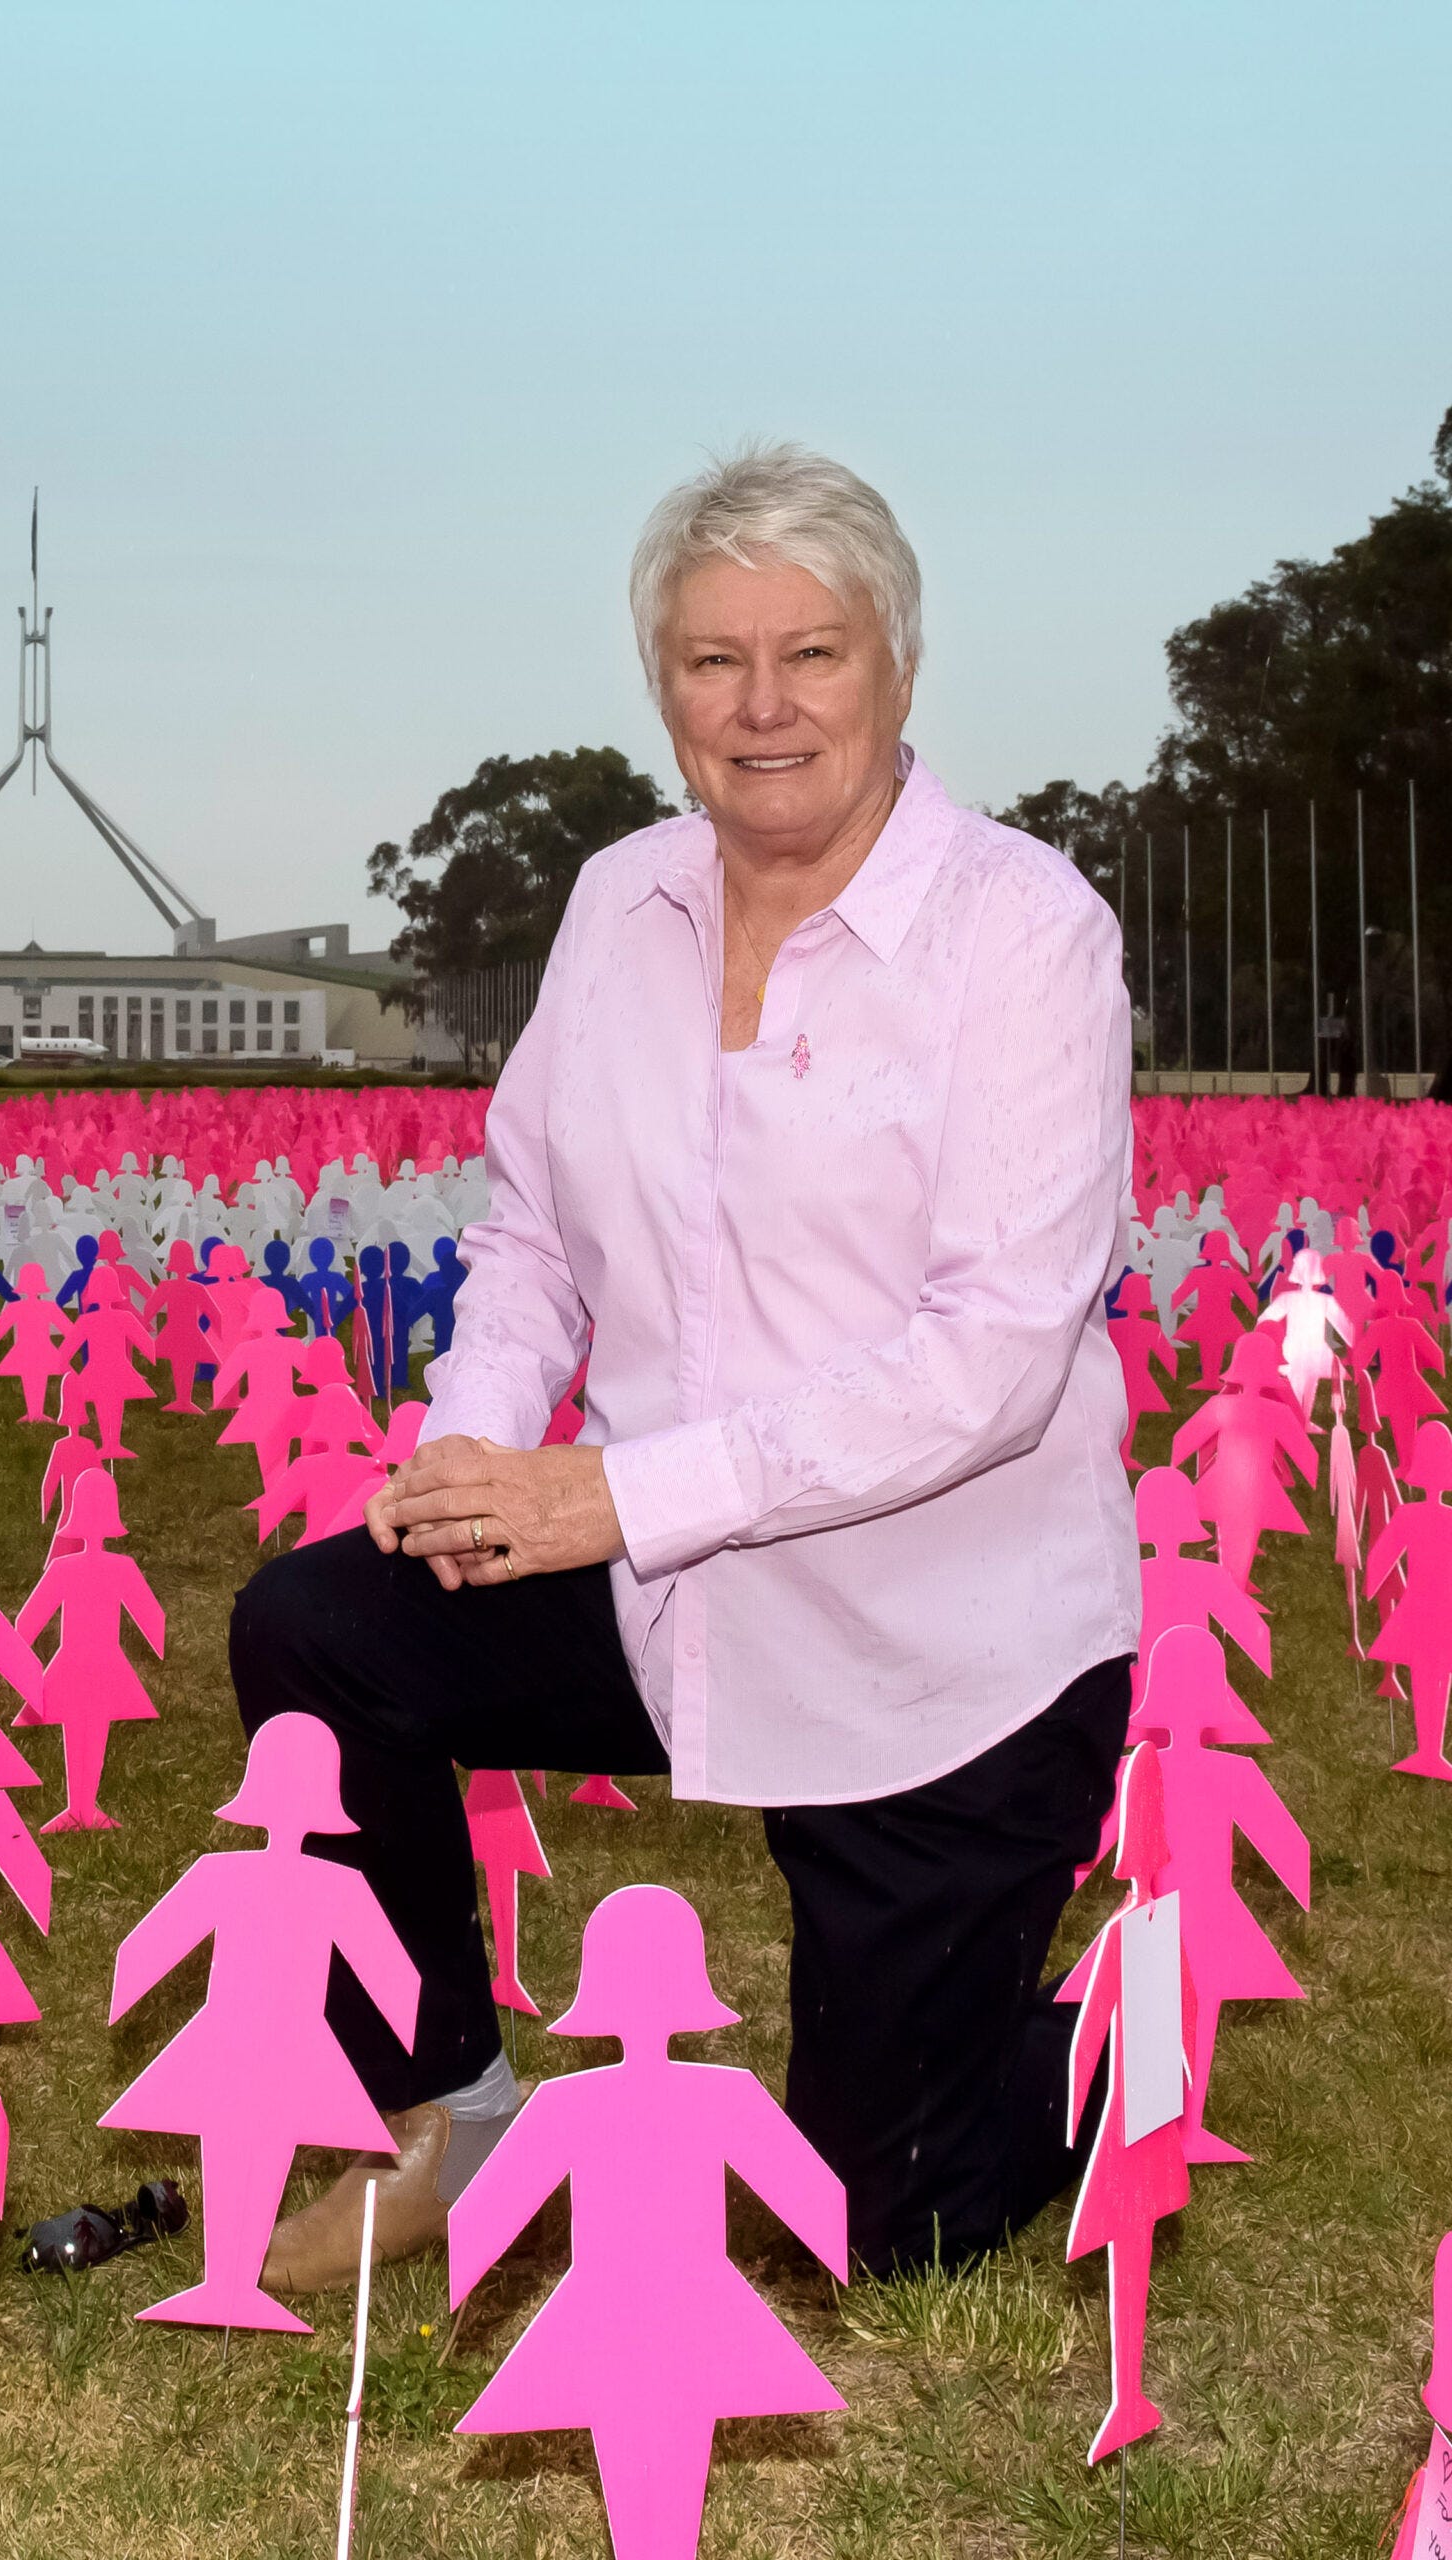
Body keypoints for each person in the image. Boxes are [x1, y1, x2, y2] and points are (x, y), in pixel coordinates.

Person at [230, 442, 1136, 2290]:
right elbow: (534, 1229)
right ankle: (447, 2119)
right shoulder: (621, 903)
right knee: (319, 1635)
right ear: (665, 692)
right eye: (715, 662)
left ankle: (1118, 2038)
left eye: (813, 654)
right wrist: (474, 1462)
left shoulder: (1026, 935)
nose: (765, 706)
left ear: (899, 669)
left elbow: (988, 1364)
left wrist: (605, 1495)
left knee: (878, 2233)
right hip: (660, 1596)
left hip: (936, 1658)